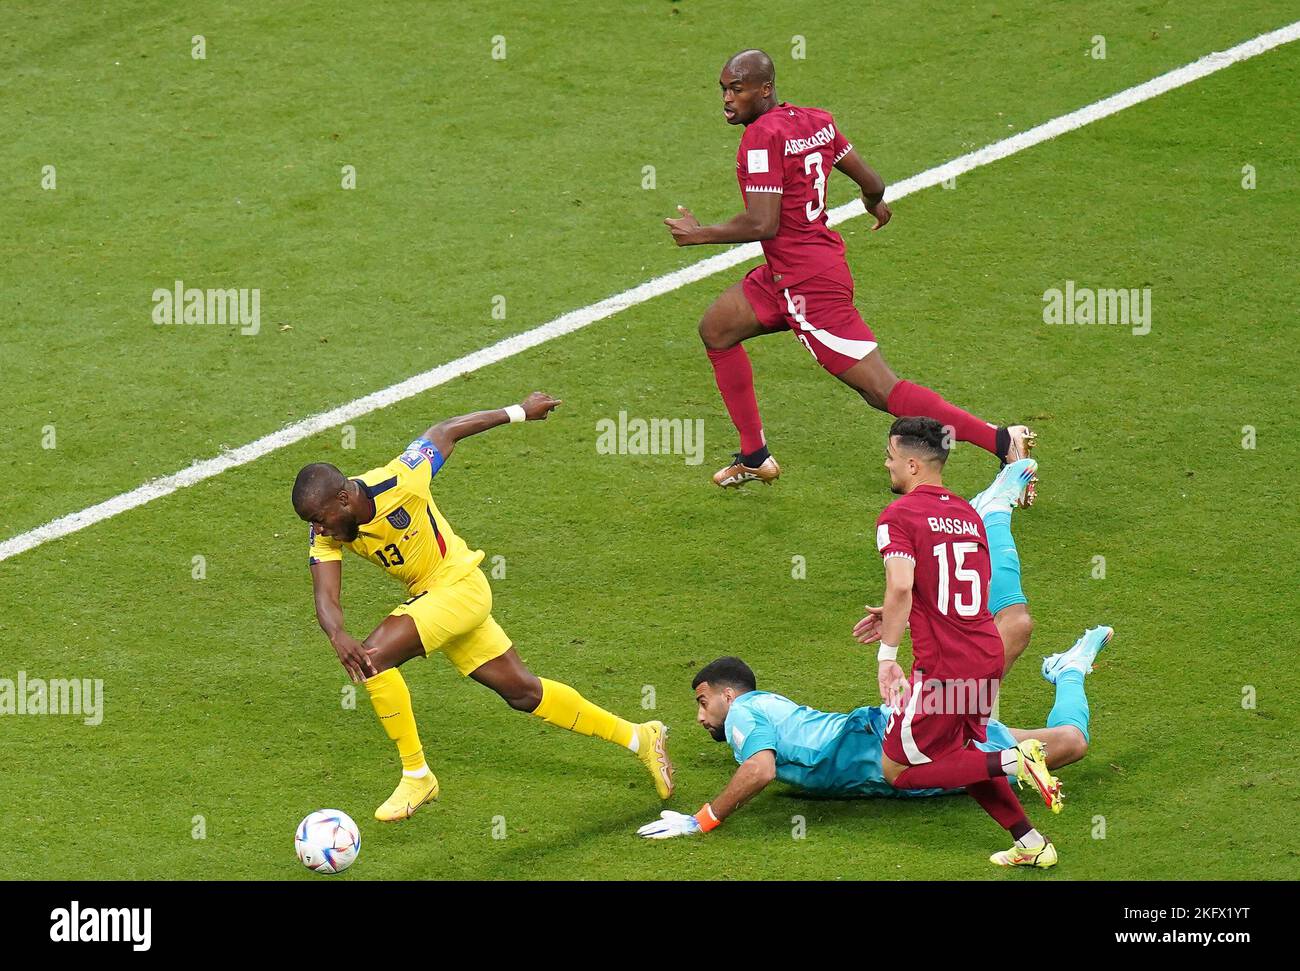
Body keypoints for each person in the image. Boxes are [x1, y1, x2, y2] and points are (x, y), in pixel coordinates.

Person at [291, 392, 673, 821]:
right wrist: (336, 633)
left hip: (459, 586)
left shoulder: (400, 480)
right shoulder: (325, 531)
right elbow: (325, 596)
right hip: (436, 597)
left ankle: (417, 775)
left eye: (320, 518)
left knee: (373, 659)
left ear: (344, 499)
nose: (318, 528)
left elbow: (446, 431)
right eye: (311, 523)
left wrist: (520, 412)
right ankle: (641, 737)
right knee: (523, 692)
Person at [664, 49, 1034, 492]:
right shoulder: (816, 120)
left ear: (765, 90)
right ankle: (754, 456)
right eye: (723, 88)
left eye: (736, 89)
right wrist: (873, 202)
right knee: (717, 329)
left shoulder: (761, 137)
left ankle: (1001, 440)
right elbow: (872, 181)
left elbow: (764, 223)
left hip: (806, 285)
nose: (727, 98)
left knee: (882, 391)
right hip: (794, 271)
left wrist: (698, 234)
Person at [636, 630, 1108, 836]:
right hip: (892, 748)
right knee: (1062, 742)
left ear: (728, 695)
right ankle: (1070, 671)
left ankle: (996, 520)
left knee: (1064, 742)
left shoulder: (743, 715)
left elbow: (761, 770)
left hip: (898, 742)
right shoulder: (765, 708)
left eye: (703, 702)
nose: (701, 717)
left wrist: (703, 819)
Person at [868, 416, 1059, 867]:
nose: (887, 464)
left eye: (891, 457)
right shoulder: (967, 514)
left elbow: (900, 584)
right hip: (985, 653)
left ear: (913, 464)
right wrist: (908, 608)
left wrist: (887, 654)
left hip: (946, 668)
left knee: (897, 769)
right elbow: (952, 588)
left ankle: (1015, 761)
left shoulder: (898, 516)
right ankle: (1032, 843)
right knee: (959, 753)